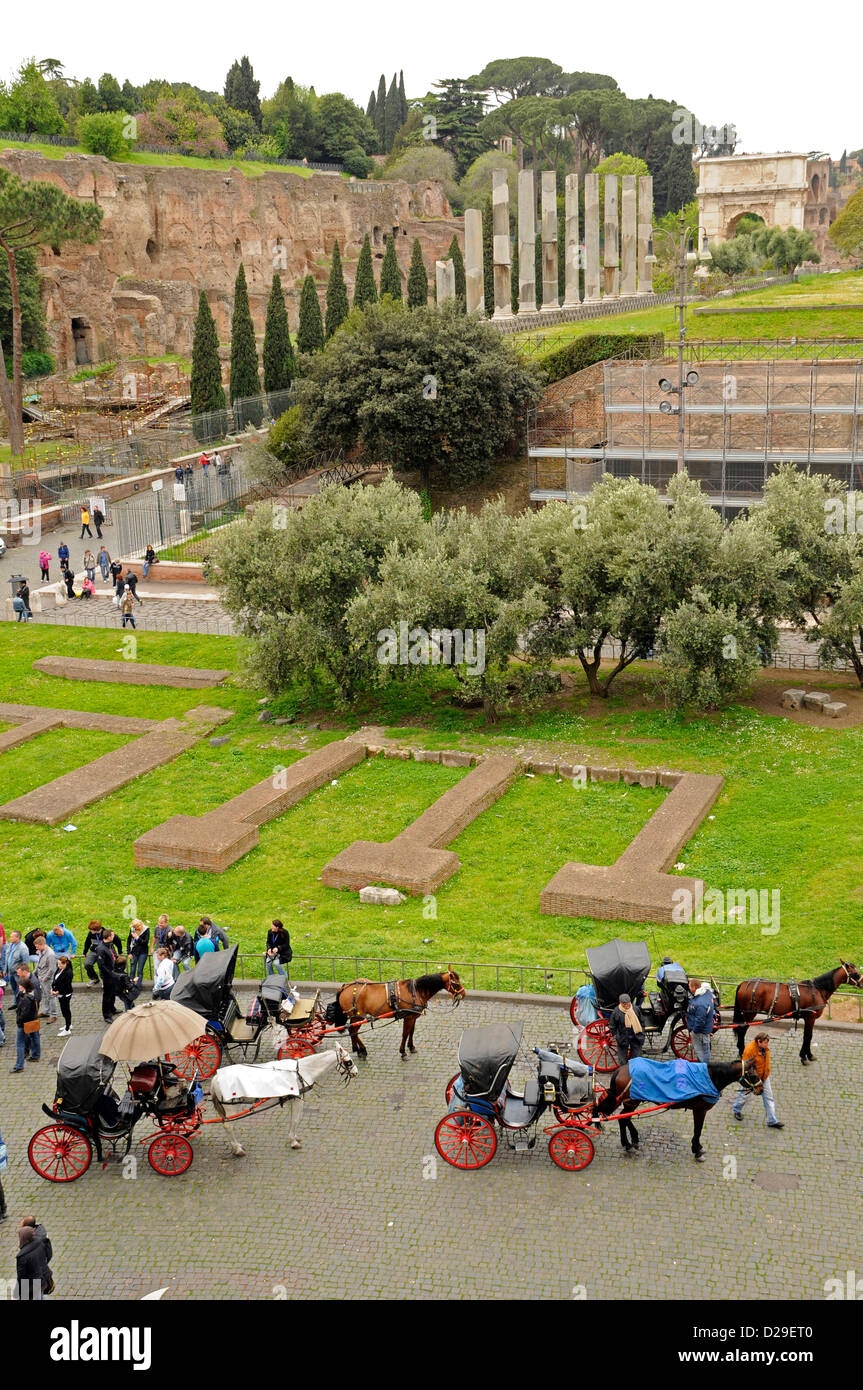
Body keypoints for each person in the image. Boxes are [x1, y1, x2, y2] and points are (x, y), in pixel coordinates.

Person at [733, 1033, 784, 1129]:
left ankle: (772, 1120)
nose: (767, 1045)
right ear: (759, 1042)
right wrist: (752, 1080)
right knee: (744, 1095)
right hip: (753, 1079)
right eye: (765, 1043)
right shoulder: (750, 1050)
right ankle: (737, 1109)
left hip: (764, 1076)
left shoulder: (765, 1048)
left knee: (769, 1098)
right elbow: (745, 1066)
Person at [11, 978, 39, 1072]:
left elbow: (24, 1014)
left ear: (24, 987)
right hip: (32, 1020)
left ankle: (19, 1066)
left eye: (20, 985)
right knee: (34, 1037)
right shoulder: (27, 995)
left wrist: (18, 1021)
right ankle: (35, 1056)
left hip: (24, 1024)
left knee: (20, 1044)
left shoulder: (26, 998)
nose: (18, 987)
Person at [608, 992, 645, 1064]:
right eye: (624, 1004)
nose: (627, 1006)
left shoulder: (635, 1009)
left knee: (637, 1058)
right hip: (623, 1038)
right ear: (620, 1003)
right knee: (622, 1060)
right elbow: (612, 1026)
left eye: (628, 1003)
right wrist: (616, 1036)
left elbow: (642, 1022)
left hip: (635, 1037)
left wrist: (642, 1033)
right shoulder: (616, 1012)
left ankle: (635, 1071)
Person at [93, 930, 122, 1022]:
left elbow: (114, 955)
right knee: (107, 994)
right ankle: (106, 1014)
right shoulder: (101, 949)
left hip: (113, 973)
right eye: (113, 935)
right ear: (108, 937)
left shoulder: (110, 944)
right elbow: (101, 965)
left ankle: (112, 1008)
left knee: (113, 992)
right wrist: (111, 973)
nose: (114, 936)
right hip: (107, 975)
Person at [16, 1226, 50, 1300]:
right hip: (42, 1280)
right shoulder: (40, 1243)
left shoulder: (22, 1256)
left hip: (32, 1288)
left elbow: (21, 1278)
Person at [687, 978, 715, 1064]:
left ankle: (704, 1068)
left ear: (694, 988)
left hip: (700, 1032)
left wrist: (694, 1031)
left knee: (701, 1051)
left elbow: (700, 1021)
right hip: (705, 1029)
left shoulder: (700, 1004)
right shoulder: (707, 994)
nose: (689, 988)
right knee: (704, 1050)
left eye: (690, 987)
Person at [33, 936, 58, 1022]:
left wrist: (45, 978)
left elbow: (52, 969)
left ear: (42, 944)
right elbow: (39, 963)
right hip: (41, 977)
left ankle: (53, 1015)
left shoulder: (50, 954)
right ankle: (46, 1011)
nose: (36, 948)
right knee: (45, 996)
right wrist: (34, 973)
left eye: (37, 946)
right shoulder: (41, 951)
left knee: (51, 996)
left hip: (47, 979)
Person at [52, 954, 73, 1036]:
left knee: (66, 1011)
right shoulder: (60, 969)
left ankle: (67, 1029)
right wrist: (52, 988)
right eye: (58, 964)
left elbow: (66, 985)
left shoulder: (68, 972)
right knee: (64, 1010)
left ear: (65, 964)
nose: (58, 966)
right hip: (60, 994)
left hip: (65, 994)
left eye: (60, 965)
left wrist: (57, 991)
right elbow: (55, 979)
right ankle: (68, 1024)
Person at [4, 932, 28, 999]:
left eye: (12, 937)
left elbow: (25, 962)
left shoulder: (23, 948)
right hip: (10, 972)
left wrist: (23, 974)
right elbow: (7, 958)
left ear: (17, 938)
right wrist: (5, 970)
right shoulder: (10, 945)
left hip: (18, 974)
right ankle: (16, 1002)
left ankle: (21, 1004)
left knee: (20, 989)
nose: (10, 938)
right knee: (14, 988)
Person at [82, 919, 104, 985]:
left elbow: (116, 940)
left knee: (102, 966)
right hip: (94, 951)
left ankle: (104, 980)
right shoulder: (91, 933)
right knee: (87, 964)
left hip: (103, 952)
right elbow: (87, 942)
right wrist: (84, 952)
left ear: (96, 929)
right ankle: (94, 978)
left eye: (91, 930)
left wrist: (118, 952)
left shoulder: (105, 933)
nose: (90, 931)